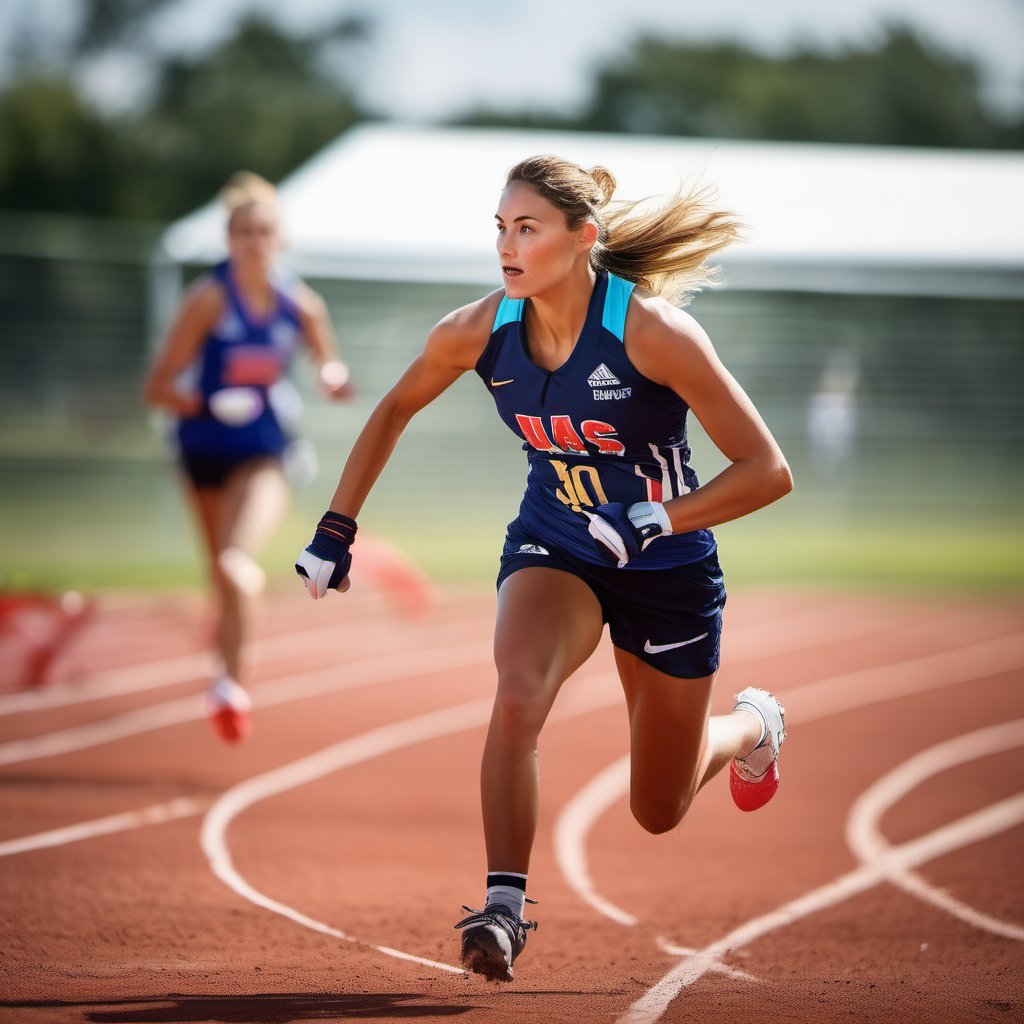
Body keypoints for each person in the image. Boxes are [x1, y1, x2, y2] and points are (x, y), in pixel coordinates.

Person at [295, 155, 793, 981]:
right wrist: (336, 526)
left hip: (666, 568)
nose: (506, 245)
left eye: (526, 228)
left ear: (581, 238)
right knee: (518, 691)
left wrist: (658, 519)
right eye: (499, 227)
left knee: (658, 809)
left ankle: (754, 727)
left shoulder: (652, 332)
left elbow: (767, 469)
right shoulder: (479, 330)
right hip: (555, 546)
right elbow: (392, 408)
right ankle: (503, 907)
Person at [145, 171, 353, 743]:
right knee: (220, 574)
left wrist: (333, 379)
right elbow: (157, 388)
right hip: (201, 447)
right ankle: (223, 674)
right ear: (229, 239)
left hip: (263, 448)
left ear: (279, 239)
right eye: (244, 232)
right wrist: (210, 399)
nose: (255, 242)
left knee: (238, 566)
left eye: (265, 231)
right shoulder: (208, 300)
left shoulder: (300, 303)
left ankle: (232, 686)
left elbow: (326, 362)